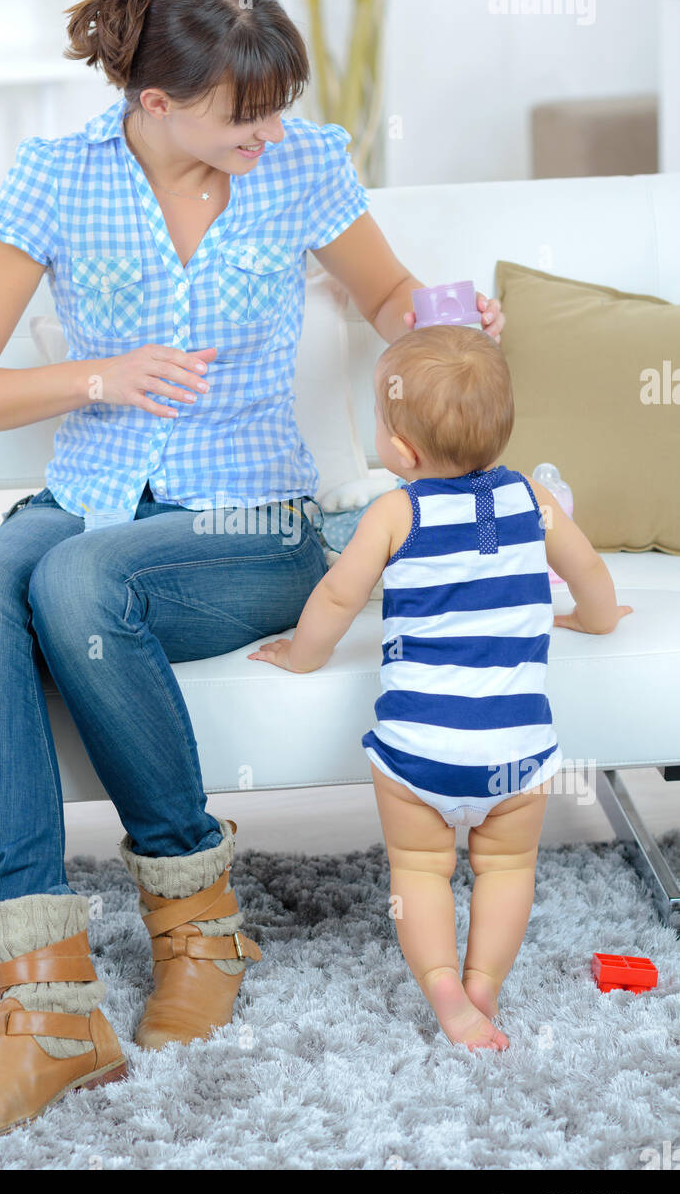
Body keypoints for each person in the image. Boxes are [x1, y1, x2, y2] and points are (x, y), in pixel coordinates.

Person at [0, 0, 506, 1146]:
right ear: (155, 103)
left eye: (277, 104)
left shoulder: (300, 165)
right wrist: (98, 376)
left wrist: (443, 316)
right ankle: (47, 1011)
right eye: (245, 113)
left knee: (79, 583)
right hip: (88, 489)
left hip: (252, 522)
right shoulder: (60, 179)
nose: (268, 130)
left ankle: (200, 923)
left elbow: (389, 297)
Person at [250, 324, 632, 1050]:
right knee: (506, 867)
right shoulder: (531, 499)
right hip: (515, 750)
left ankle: (443, 991)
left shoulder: (396, 511)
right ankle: (483, 983)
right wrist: (595, 621)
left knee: (419, 871)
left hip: (417, 748)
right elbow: (587, 573)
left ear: (399, 450)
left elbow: (336, 598)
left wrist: (302, 656)